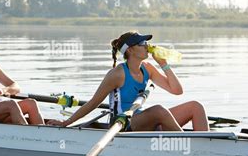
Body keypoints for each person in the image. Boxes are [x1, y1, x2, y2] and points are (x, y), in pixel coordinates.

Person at [48, 31, 209, 131]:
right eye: (142, 43)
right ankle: (192, 149)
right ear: (130, 50)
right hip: (123, 123)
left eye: (146, 42)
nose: (147, 46)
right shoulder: (117, 74)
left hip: (142, 119)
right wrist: (67, 123)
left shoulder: (148, 68)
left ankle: (207, 145)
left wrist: (163, 64)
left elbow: (177, 90)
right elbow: (94, 102)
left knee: (195, 106)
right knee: (159, 110)